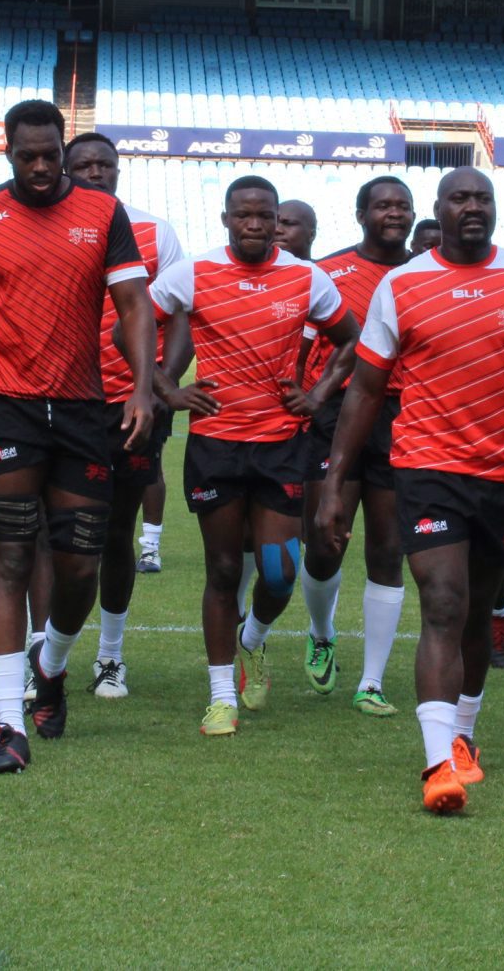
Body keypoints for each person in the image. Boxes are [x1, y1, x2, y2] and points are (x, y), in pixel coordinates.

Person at [314, 167, 504, 814]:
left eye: (483, 198)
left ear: (497, 210)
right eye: (460, 198)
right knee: (442, 601)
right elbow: (364, 389)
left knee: (475, 610)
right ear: (437, 210)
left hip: (502, 473)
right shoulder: (403, 283)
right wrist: (335, 482)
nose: (473, 207)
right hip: (426, 468)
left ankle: (463, 735)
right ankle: (438, 761)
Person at [0, 98, 159, 774]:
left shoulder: (103, 215)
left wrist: (143, 383)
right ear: (8, 152)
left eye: (52, 152)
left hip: (83, 408)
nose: (44, 166)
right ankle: (8, 721)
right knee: (11, 558)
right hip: (5, 407)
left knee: (79, 565)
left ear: (61, 144)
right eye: (29, 156)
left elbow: (134, 304)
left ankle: (50, 664)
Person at [148, 176, 358, 735]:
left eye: (265, 215)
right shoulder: (193, 272)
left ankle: (254, 639)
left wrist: (316, 395)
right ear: (226, 219)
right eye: (244, 215)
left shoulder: (306, 277)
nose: (255, 224)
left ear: (275, 220)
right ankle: (221, 697)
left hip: (281, 445)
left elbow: (350, 340)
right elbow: (132, 321)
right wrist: (166, 389)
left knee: (279, 572)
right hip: (215, 445)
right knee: (221, 568)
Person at [64, 131, 185, 700]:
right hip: (55, 401)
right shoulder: (42, 224)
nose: (95, 172)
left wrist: (159, 386)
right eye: (83, 164)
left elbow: (180, 313)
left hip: (128, 406)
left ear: (119, 170)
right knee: (51, 533)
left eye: (104, 164)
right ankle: (49, 650)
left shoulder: (154, 231)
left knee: (115, 532)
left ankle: (109, 657)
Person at [297, 175, 416, 715]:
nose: (394, 213)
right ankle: (322, 634)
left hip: (402, 419)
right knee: (325, 539)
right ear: (361, 213)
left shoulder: (426, 272)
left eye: (403, 205)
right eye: (383, 205)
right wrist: (305, 399)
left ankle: (371, 681)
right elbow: (298, 337)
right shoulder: (329, 271)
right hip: (337, 413)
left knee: (387, 550)